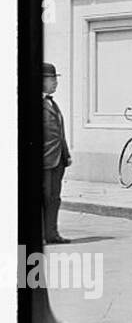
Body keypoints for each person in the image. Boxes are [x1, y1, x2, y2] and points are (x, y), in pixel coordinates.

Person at [41, 62, 72, 245]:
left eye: (55, 79)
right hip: (43, 160)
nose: (55, 83)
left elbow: (59, 132)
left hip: (57, 160)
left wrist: (66, 154)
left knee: (54, 199)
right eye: (51, 79)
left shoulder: (52, 103)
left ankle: (52, 234)